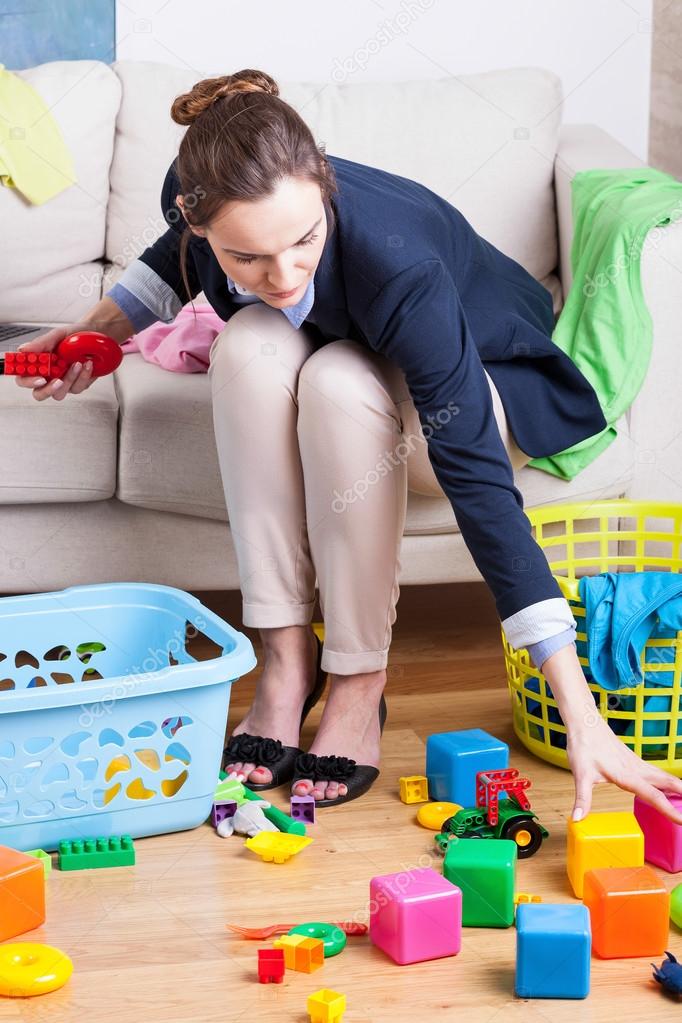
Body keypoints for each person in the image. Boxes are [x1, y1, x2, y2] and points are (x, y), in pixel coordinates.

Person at [17, 69, 682, 821]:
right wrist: (93, 335)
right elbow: (175, 255)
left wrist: (582, 715)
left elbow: (480, 486)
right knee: (249, 344)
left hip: (488, 387)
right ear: (197, 217)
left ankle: (360, 681)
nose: (284, 272)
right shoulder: (197, 192)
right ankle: (284, 662)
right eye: (248, 257)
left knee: (334, 377)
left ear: (324, 183)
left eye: (304, 240)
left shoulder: (400, 269)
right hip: (363, 351)